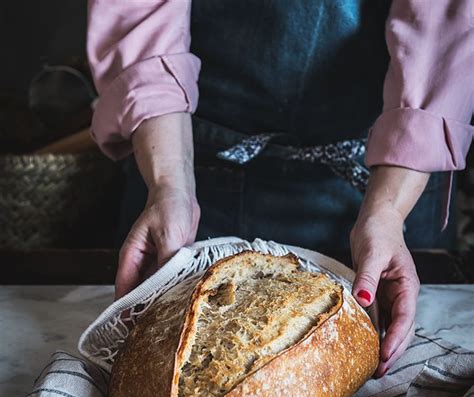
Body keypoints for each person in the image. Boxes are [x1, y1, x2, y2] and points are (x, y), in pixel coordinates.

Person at [87, 0, 473, 377]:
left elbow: (446, 21)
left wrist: (387, 211)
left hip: (389, 180)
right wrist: (169, 185)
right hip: (184, 158)